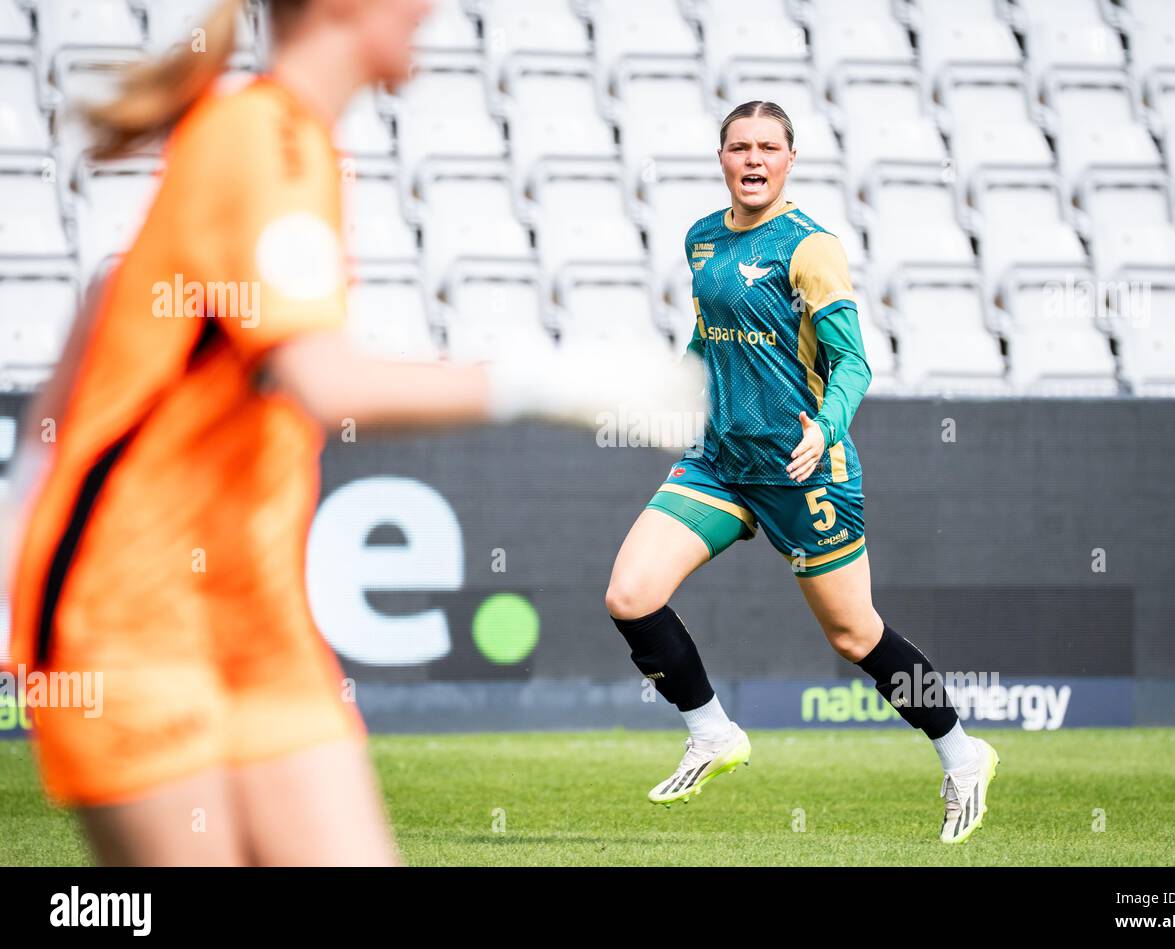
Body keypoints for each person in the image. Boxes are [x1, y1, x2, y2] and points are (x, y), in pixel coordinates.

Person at [2, 0, 701, 865]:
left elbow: (108, 303)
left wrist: (26, 489)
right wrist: (548, 380)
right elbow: (323, 382)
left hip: (255, 618)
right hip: (129, 617)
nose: (430, 9)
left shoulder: (284, 140)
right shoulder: (264, 139)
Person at [604, 101, 999, 843]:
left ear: (790, 159)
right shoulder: (700, 239)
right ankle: (712, 733)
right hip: (722, 461)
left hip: (804, 467)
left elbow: (853, 362)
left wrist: (827, 427)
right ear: (722, 158)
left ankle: (961, 753)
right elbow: (709, 335)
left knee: (854, 636)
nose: (753, 159)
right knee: (630, 593)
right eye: (739, 147)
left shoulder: (811, 249)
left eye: (768, 147)